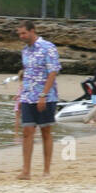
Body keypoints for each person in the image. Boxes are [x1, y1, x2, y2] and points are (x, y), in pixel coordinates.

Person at [16, 21, 61, 179]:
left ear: (32, 31)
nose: (21, 36)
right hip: (28, 96)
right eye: (19, 34)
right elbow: (27, 74)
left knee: (45, 132)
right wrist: (21, 94)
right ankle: (26, 171)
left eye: (23, 33)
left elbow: (53, 72)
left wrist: (43, 95)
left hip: (46, 97)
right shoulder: (24, 51)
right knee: (27, 131)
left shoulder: (48, 47)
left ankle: (46, 170)